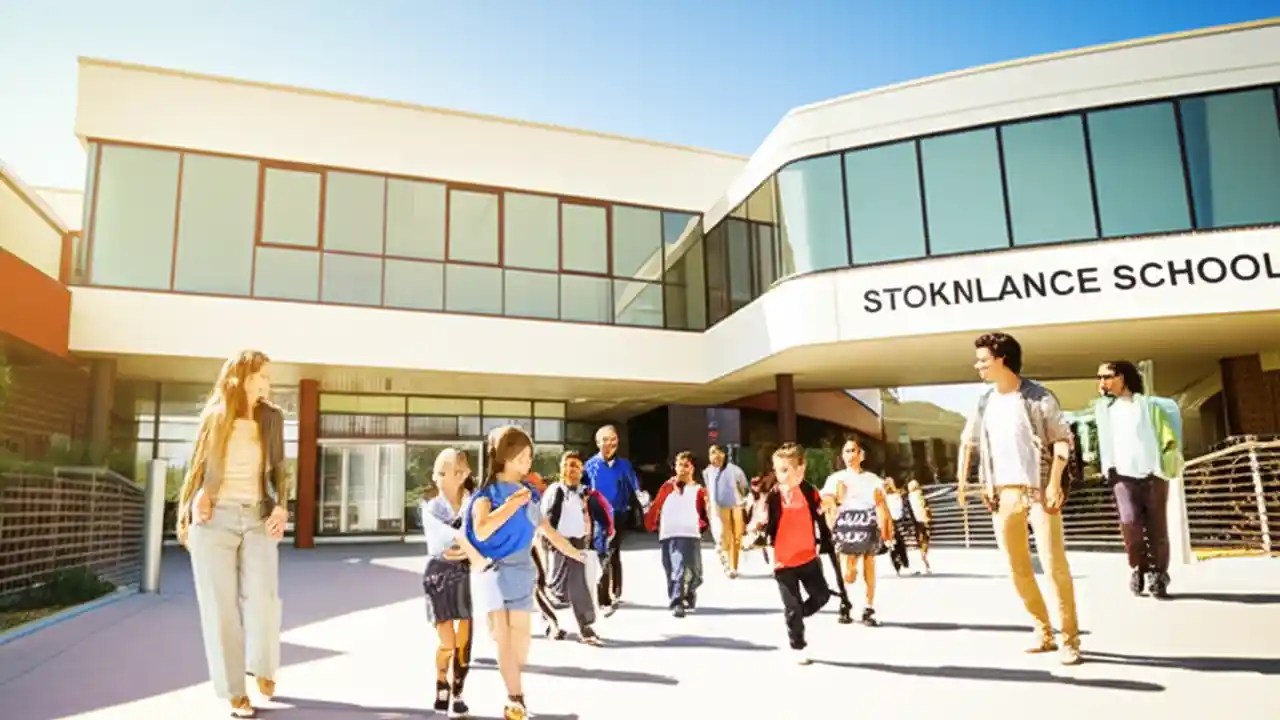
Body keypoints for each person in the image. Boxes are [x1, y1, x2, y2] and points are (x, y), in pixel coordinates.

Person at [176, 350, 289, 718]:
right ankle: (235, 693)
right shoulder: (215, 417)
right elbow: (196, 470)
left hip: (257, 516)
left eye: (268, 377)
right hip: (214, 521)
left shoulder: (271, 418)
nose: (267, 383)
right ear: (242, 376)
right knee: (219, 609)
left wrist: (281, 506)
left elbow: (280, 472)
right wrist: (192, 504)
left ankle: (264, 666)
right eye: (261, 376)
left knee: (264, 599)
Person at [957, 332, 1082, 666]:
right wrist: (979, 482)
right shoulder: (985, 401)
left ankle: (1070, 638)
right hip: (1003, 494)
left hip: (1039, 490)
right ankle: (1043, 631)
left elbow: (1061, 442)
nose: (978, 365)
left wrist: (1054, 483)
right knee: (1017, 568)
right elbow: (976, 444)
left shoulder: (1038, 397)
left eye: (983, 359)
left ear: (1002, 360)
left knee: (1055, 566)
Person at [465, 425, 587, 720]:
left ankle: (513, 689)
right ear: (506, 456)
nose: (528, 461)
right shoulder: (487, 494)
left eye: (530, 456)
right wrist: (508, 507)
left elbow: (548, 530)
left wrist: (576, 553)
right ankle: (515, 698)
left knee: (521, 645)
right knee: (504, 639)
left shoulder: (529, 493)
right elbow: (481, 531)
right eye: (523, 455)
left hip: (522, 572)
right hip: (493, 572)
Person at [1092, 360, 1183, 599]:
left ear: (1123, 377)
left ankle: (1158, 574)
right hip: (1121, 475)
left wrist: (1166, 465)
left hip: (1154, 474)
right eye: (1099, 377)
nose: (1102, 382)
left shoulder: (1149, 406)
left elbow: (1168, 438)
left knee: (1157, 528)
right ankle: (1138, 567)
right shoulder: (1105, 409)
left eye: (1107, 376)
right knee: (1130, 523)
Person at [761, 443, 850, 665]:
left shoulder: (809, 492)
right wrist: (757, 532)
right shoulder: (773, 496)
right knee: (792, 606)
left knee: (822, 596)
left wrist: (835, 504)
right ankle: (797, 644)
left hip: (809, 557)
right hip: (784, 563)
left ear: (801, 469)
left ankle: (797, 615)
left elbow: (824, 511)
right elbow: (762, 520)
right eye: (777, 470)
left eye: (785, 470)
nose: (780, 475)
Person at [420, 449, 486, 718]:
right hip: (439, 574)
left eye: (462, 470)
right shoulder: (430, 507)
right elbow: (441, 544)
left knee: (464, 642)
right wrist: (465, 546)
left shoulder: (474, 502)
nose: (459, 475)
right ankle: (441, 682)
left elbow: (479, 534)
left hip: (466, 574)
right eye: (451, 470)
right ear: (439, 476)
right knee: (446, 642)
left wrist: (466, 548)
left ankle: (458, 691)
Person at [822, 439, 892, 626]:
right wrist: (835, 502)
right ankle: (846, 600)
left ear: (861, 455)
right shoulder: (835, 479)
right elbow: (826, 501)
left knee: (869, 563)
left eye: (853, 450)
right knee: (848, 572)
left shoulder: (873, 480)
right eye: (846, 451)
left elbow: (881, 505)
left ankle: (868, 608)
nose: (850, 454)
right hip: (846, 524)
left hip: (867, 522)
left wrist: (887, 532)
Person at [540, 451, 604, 644]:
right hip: (556, 543)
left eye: (575, 465)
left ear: (582, 469)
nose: (570, 469)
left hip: (577, 544)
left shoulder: (586, 493)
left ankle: (585, 626)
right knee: (555, 588)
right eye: (567, 465)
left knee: (580, 586)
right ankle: (552, 623)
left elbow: (598, 516)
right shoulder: (555, 490)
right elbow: (545, 518)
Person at [644, 451, 710, 617]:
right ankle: (676, 602)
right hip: (670, 534)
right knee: (675, 568)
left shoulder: (699, 490)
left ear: (692, 468)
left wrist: (704, 527)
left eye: (686, 465)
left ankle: (689, 591)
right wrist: (651, 523)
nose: (682, 469)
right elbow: (656, 506)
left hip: (691, 534)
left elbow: (705, 513)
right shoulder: (667, 488)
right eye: (680, 465)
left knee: (696, 572)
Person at [584, 425, 642, 613]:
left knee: (610, 552)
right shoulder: (590, 465)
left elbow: (634, 486)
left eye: (613, 439)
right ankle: (607, 595)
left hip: (618, 515)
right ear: (598, 442)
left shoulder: (624, 465)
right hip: (598, 515)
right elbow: (584, 490)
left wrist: (642, 502)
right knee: (604, 552)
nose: (609, 443)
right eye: (605, 439)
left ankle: (611, 594)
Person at [703, 444, 750, 578]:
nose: (715, 457)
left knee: (736, 536)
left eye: (718, 453)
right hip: (718, 508)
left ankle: (733, 566)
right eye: (712, 453)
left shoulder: (735, 470)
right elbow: (708, 489)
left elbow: (744, 486)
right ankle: (726, 561)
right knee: (724, 536)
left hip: (736, 505)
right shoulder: (708, 472)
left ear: (724, 455)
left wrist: (742, 500)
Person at [883, 476, 910, 575]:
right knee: (897, 543)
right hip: (895, 521)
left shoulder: (886, 497)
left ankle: (898, 564)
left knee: (894, 543)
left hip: (891, 521)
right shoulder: (895, 495)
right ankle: (902, 562)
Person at [905, 479, 934, 574]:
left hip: (914, 523)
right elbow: (925, 506)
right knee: (924, 542)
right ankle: (924, 561)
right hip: (924, 520)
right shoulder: (920, 495)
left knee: (918, 542)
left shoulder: (908, 497)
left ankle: (920, 564)